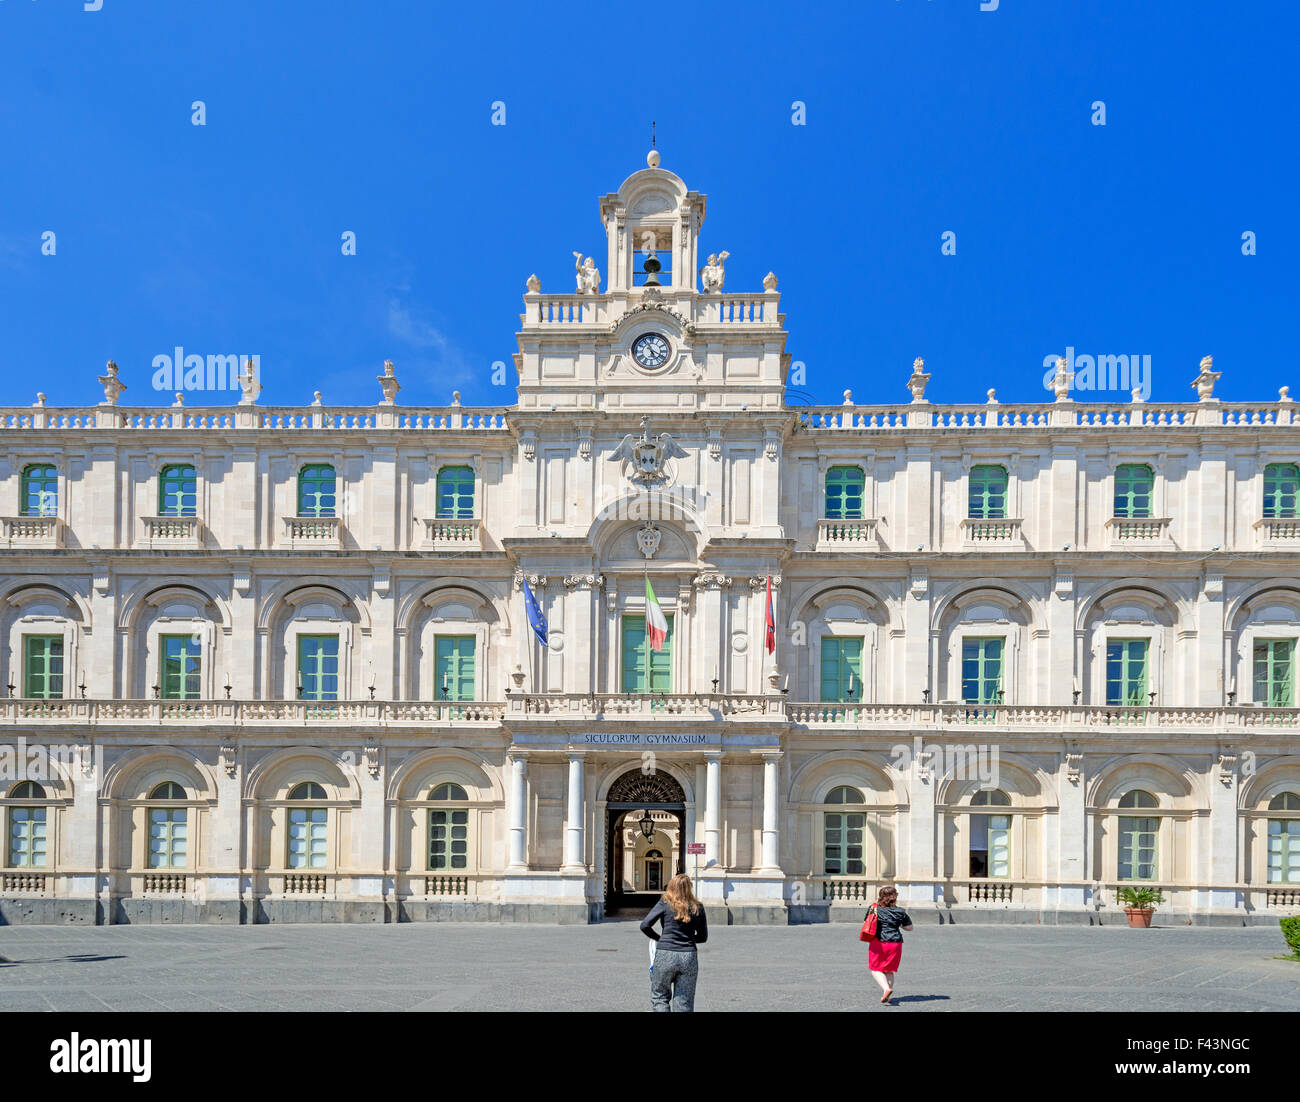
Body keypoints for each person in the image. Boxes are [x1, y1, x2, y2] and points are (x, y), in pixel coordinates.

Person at [640, 872, 708, 1012]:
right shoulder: (698, 907)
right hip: (688, 956)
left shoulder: (665, 903)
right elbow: (703, 937)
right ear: (690, 888)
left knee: (660, 997)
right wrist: (687, 938)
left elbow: (645, 925)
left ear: (671, 887)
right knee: (684, 1001)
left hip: (665, 953)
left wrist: (660, 938)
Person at [866, 885, 913, 1004]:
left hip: (878, 942)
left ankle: (886, 989)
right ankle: (887, 995)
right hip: (895, 943)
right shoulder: (900, 912)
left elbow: (868, 921)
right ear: (895, 897)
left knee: (875, 969)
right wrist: (898, 924)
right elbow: (909, 928)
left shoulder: (874, 908)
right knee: (889, 970)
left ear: (881, 896)